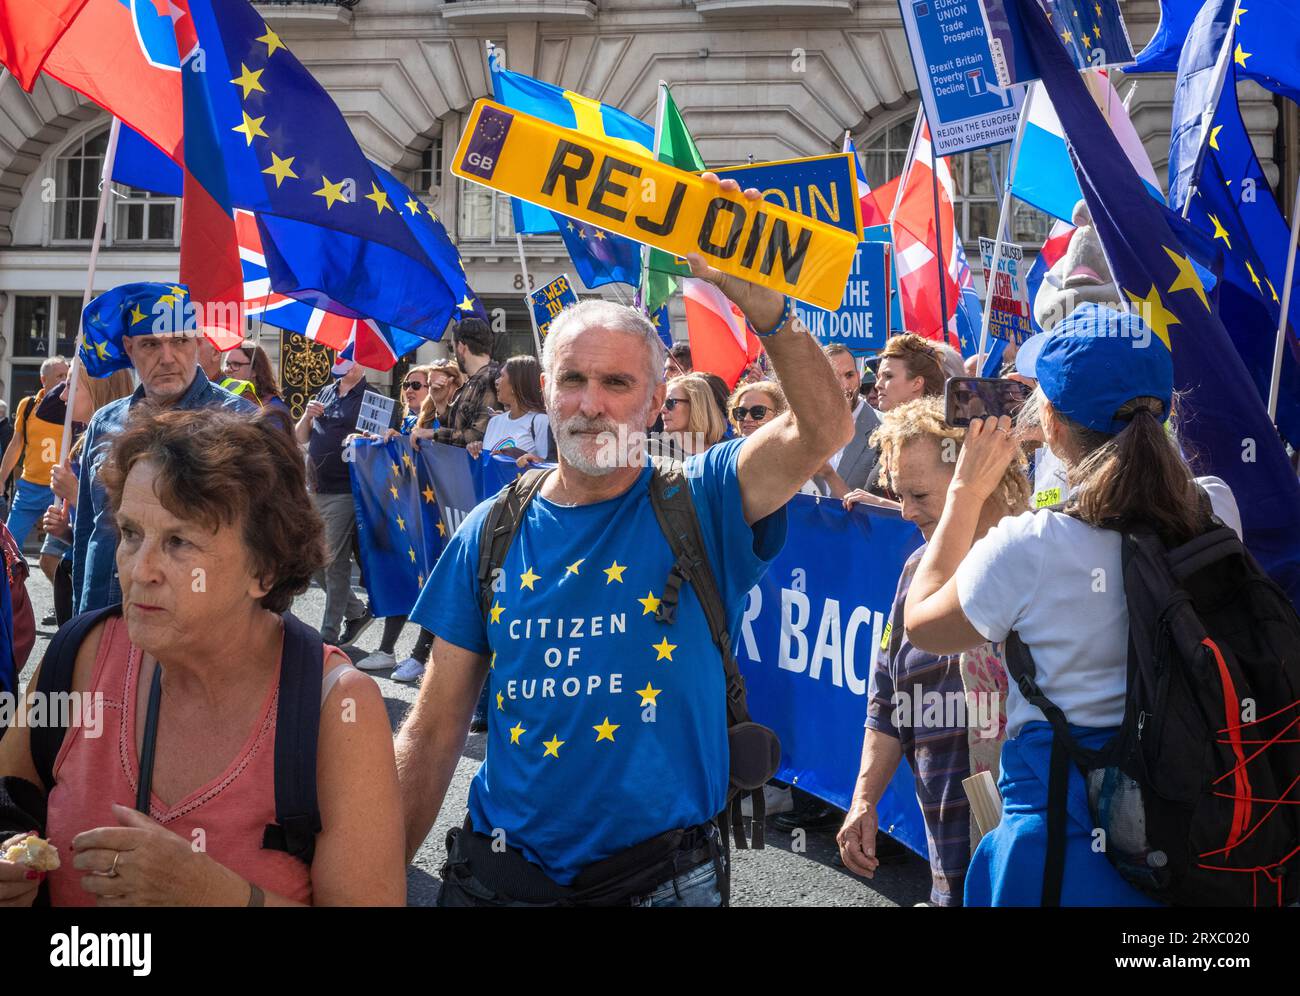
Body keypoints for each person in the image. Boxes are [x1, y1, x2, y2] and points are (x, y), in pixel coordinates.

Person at [394, 175, 854, 907]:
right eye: (572, 379)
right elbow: (436, 723)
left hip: (666, 883)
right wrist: (375, 878)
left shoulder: (702, 498)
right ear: (545, 389)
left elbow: (823, 431)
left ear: (653, 396)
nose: (591, 404)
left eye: (615, 382)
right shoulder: (494, 528)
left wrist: (769, 313)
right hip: (502, 879)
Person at [902, 305, 1242, 906]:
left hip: (1061, 845)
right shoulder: (1215, 508)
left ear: (1050, 423)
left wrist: (965, 489)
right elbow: (1155, 481)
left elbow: (922, 621)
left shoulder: (1029, 546)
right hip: (1197, 832)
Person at [0, 408, 404, 906]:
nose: (139, 570)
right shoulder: (78, 657)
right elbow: (8, 800)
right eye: (130, 534)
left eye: (178, 542)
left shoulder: (335, 707)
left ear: (267, 569)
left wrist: (218, 895)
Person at [836, 396, 1027, 907]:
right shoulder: (913, 573)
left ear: (978, 473)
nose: (904, 511)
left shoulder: (1040, 559)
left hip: (1037, 865)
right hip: (950, 868)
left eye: (918, 493)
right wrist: (864, 800)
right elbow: (887, 701)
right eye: (897, 494)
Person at [73, 304, 256, 616]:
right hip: (107, 612)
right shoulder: (105, 421)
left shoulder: (241, 420)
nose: (167, 357)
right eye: (151, 344)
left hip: (198, 621)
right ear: (130, 348)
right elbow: (90, 532)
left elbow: (268, 542)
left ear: (199, 343)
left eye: (180, 341)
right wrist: (79, 623)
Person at [294, 355, 383, 648]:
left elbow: (379, 442)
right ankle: (356, 612)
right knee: (311, 557)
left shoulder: (372, 398)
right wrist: (307, 416)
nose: (340, 362)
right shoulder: (327, 391)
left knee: (334, 561)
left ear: (359, 364)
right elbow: (300, 437)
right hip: (317, 487)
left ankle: (327, 635)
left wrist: (360, 438)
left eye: (346, 357)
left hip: (347, 488)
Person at [355, 364, 435, 675]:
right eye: (406, 385)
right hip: (407, 515)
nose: (409, 390)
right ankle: (387, 649)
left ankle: (419, 655)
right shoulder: (405, 422)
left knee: (431, 582)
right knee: (404, 574)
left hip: (431, 517)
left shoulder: (436, 423)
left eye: (417, 384)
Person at [1, 356, 69, 549]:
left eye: (67, 375)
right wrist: (1, 478)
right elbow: (16, 444)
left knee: (53, 556)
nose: (65, 380)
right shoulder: (28, 405)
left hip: (59, 488)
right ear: (43, 380)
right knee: (8, 548)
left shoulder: (72, 406)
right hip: (29, 487)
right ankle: (12, 580)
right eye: (59, 376)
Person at [816, 344, 881, 498]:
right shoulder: (804, 427)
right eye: (833, 377)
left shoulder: (883, 429)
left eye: (849, 375)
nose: (845, 385)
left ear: (859, 377)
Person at [430, 319, 499, 448]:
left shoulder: (490, 379)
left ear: (461, 347)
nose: (454, 354)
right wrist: (440, 404)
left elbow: (478, 436)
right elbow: (455, 429)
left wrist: (431, 433)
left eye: (452, 347)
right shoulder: (473, 381)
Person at [476, 356, 551, 465]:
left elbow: (548, 466)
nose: (496, 381)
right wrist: (476, 451)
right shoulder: (494, 422)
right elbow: (486, 464)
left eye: (502, 376)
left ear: (515, 384)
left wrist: (517, 455)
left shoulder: (541, 421)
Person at [660, 373, 726, 457]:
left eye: (670, 403)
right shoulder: (655, 450)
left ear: (696, 405)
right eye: (663, 403)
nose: (662, 410)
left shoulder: (725, 453)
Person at [224, 340, 287, 415]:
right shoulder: (223, 398)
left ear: (255, 370)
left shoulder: (273, 408)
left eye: (236, 364)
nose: (228, 370)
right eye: (227, 364)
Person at [197, 337, 259, 405]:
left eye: (197, 344)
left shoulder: (244, 395)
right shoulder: (187, 389)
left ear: (215, 353)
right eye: (227, 364)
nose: (228, 369)